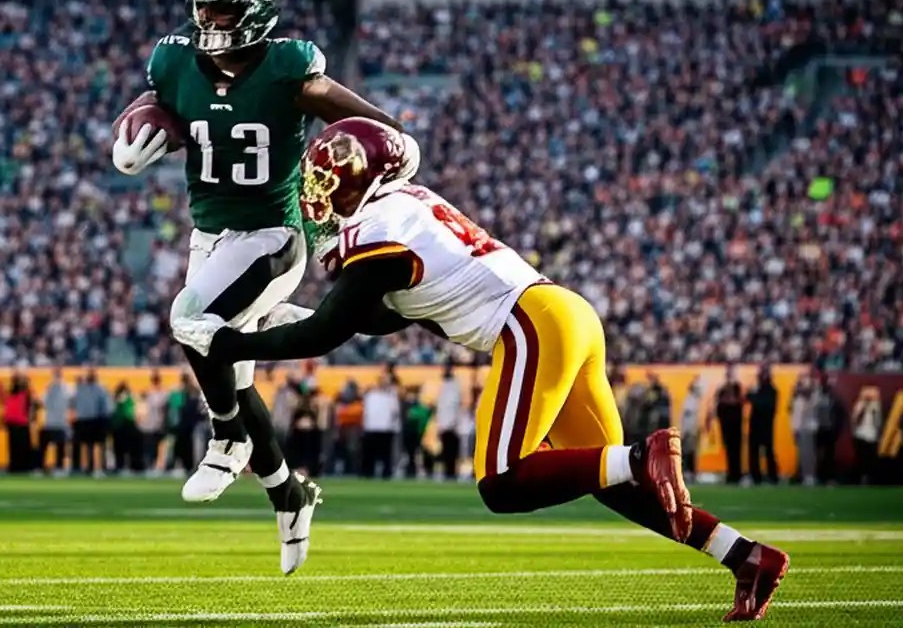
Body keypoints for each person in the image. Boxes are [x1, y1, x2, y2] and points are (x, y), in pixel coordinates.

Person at [172, 117, 788, 620]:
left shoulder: (377, 227)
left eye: (331, 178)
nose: (319, 192)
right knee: (602, 480)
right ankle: (744, 556)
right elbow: (380, 317)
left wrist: (225, 343)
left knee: (503, 481)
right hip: (564, 313)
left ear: (362, 178)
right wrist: (287, 313)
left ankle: (642, 452)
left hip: (531, 323)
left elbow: (329, 331)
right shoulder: (406, 205)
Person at [113, 0, 417, 573]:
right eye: (203, 9)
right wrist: (142, 129)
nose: (210, 21)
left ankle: (225, 437)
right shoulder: (174, 62)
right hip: (211, 239)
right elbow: (158, 105)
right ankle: (289, 494)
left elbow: (371, 125)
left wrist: (394, 149)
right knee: (236, 373)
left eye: (222, 9)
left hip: (273, 236)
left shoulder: (289, 69)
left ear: (254, 11)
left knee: (191, 320)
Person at [711, 367, 745, 485]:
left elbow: (740, 403)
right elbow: (718, 405)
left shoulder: (737, 389)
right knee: (730, 450)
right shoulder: (722, 390)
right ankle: (731, 474)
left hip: (735, 425)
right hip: (727, 426)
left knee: (736, 450)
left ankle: (737, 474)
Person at [747, 365, 780, 485]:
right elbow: (748, 396)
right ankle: (756, 476)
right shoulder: (758, 389)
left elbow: (765, 406)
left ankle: (773, 476)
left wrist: (753, 397)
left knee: (768, 452)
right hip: (755, 425)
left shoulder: (772, 391)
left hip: (766, 426)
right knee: (754, 451)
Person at [434, 363, 463, 480]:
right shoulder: (444, 387)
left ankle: (451, 472)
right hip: (445, 425)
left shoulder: (454, 387)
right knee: (447, 451)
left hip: (453, 426)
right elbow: (441, 409)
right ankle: (448, 472)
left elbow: (455, 407)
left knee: (452, 451)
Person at [38, 369, 70, 475]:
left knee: (59, 448)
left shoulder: (65, 389)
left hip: (59, 423)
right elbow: (42, 402)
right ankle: (42, 467)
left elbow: (42, 402)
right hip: (51, 423)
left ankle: (59, 468)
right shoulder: (51, 388)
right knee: (44, 448)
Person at [680, 376, 705, 483]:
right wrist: (686, 431)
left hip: (693, 429)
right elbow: (687, 418)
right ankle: (689, 472)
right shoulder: (690, 400)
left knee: (692, 452)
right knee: (688, 452)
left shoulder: (694, 400)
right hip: (690, 430)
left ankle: (691, 472)